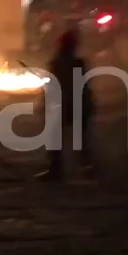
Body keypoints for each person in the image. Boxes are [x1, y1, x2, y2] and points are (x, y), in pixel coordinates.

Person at [37, 29, 95, 181]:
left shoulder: (57, 63)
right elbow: (84, 86)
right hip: (77, 105)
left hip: (62, 106)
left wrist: (44, 103)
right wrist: (88, 103)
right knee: (81, 139)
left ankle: (56, 170)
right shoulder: (78, 63)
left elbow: (51, 86)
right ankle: (87, 167)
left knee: (56, 139)